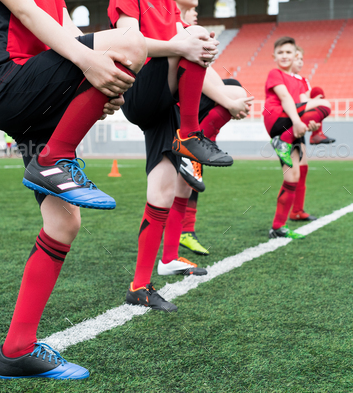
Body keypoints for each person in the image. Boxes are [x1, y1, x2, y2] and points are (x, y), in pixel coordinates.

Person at [0, 0, 147, 380]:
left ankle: (16, 351)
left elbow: (68, 32)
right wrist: (89, 64)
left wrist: (99, 83)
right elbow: (31, 16)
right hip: (9, 82)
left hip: (41, 94)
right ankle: (55, 157)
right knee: (130, 44)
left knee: (63, 223)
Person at [108, 0, 234, 312]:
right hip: (137, 86)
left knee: (162, 190)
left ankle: (140, 287)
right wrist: (186, 44)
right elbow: (128, 42)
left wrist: (228, 95)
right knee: (195, 35)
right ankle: (190, 134)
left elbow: (191, 47)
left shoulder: (170, 8)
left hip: (163, 99)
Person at [176, 0, 252, 255]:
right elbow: (203, 81)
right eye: (193, 10)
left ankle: (187, 231)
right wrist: (231, 104)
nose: (197, 13)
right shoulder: (178, 29)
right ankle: (200, 140)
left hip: (188, 107)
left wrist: (231, 103)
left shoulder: (188, 29)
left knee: (189, 177)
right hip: (174, 105)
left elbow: (212, 79)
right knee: (235, 90)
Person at [263, 36, 332, 239]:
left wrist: (310, 124)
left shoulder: (299, 82)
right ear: (274, 56)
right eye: (280, 53)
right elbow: (285, 99)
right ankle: (282, 139)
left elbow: (304, 105)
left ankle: (278, 227)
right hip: (278, 119)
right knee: (325, 104)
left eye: (288, 53)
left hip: (292, 125)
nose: (284, 56)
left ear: (295, 56)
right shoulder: (275, 73)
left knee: (293, 176)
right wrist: (298, 122)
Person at [292, 47, 335, 145]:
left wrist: (313, 100)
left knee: (317, 91)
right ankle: (289, 130)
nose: (300, 62)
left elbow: (305, 98)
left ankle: (316, 133)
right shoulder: (285, 77)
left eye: (301, 59)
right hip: (291, 112)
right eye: (296, 59)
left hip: (303, 109)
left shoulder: (303, 80)